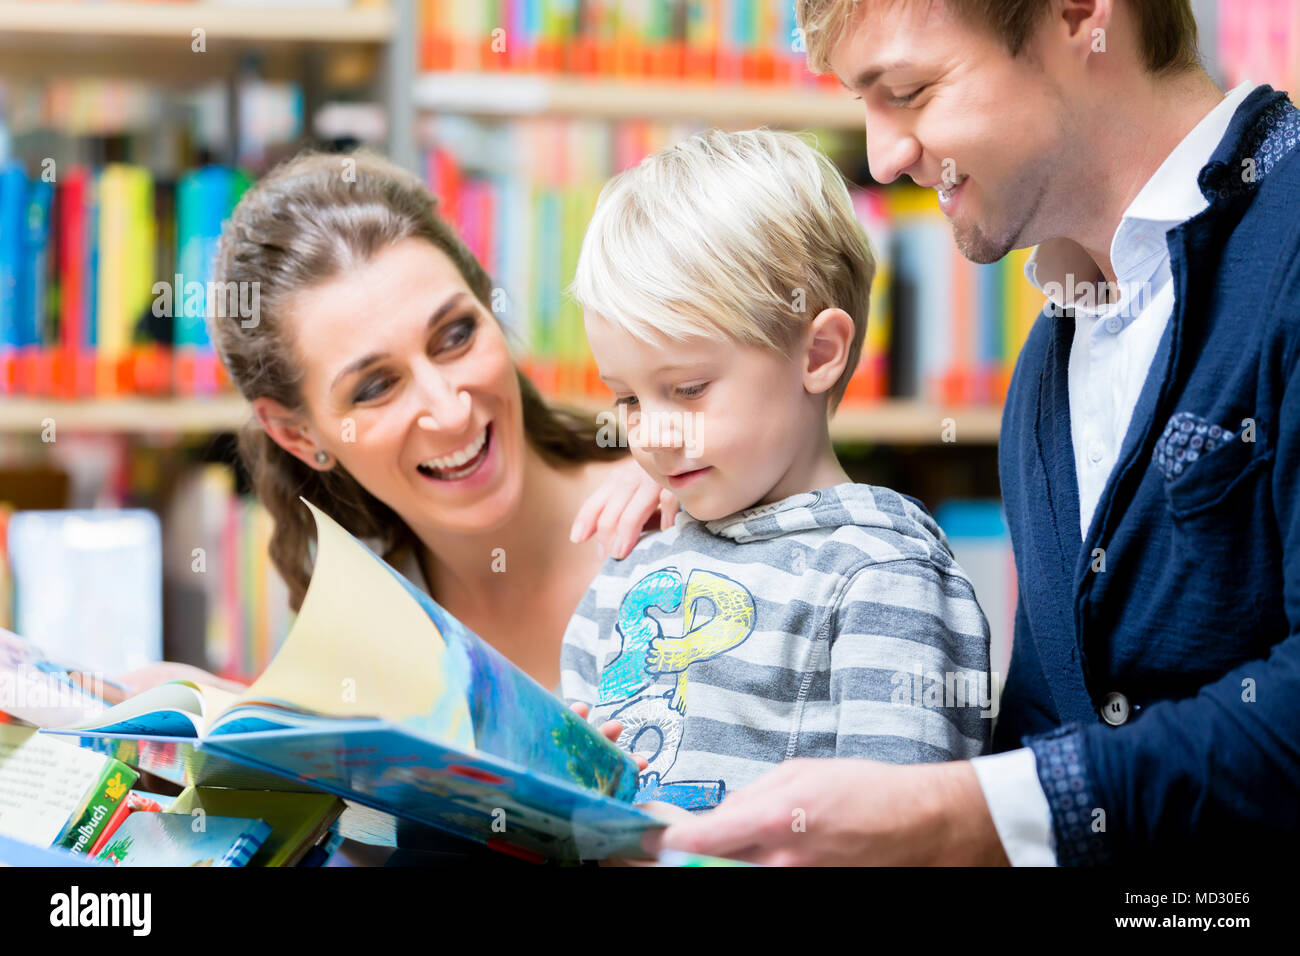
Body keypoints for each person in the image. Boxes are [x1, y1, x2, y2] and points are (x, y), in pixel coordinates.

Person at [654, 0, 1300, 865]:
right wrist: (695, 450)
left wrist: (960, 814)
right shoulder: (1049, 365)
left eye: (911, 90)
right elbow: (1054, 723)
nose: (883, 160)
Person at [560, 128, 992, 814]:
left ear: (817, 353)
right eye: (627, 399)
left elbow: (900, 835)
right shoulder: (628, 571)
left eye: (690, 389)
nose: (652, 435)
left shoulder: (881, 576)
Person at [208, 150, 674, 694]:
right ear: (297, 433)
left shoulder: (690, 501)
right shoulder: (362, 657)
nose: (451, 412)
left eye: (455, 335)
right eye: (376, 387)